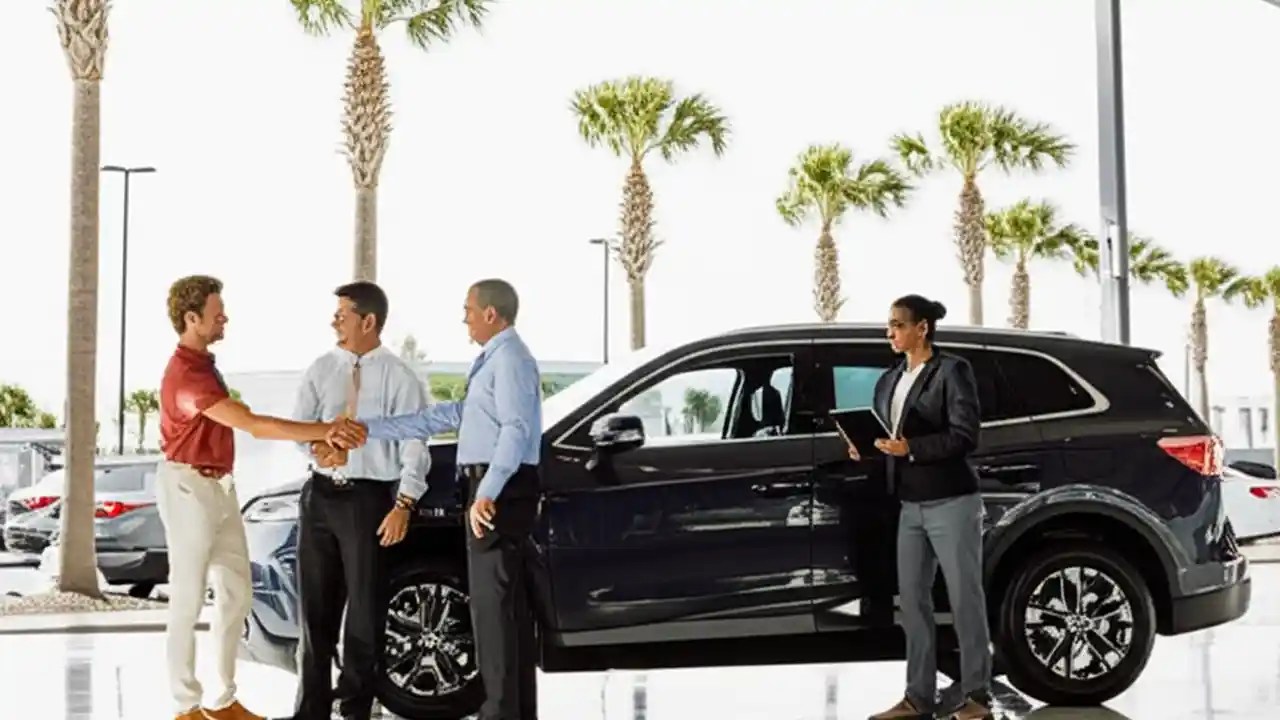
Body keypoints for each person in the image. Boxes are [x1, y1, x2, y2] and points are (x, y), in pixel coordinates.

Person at [157, 275, 364, 720]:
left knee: (236, 593)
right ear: (191, 319)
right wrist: (324, 430)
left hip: (219, 487)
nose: (224, 318)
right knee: (188, 599)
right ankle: (184, 707)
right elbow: (253, 425)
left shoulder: (205, 364)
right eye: (217, 313)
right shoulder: (185, 375)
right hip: (187, 487)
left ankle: (223, 700)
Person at [334, 278, 542, 720]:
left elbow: (516, 430)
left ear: (491, 314)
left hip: (498, 491)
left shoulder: (510, 361)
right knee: (502, 614)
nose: (463, 317)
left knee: (494, 616)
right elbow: (449, 416)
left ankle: (500, 714)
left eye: (468, 309)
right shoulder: (493, 361)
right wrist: (373, 429)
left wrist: (486, 494)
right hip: (491, 487)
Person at [285, 281, 431, 720]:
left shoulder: (400, 377)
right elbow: (299, 428)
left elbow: (415, 443)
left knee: (365, 613)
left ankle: (355, 709)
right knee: (315, 612)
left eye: (342, 314)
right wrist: (316, 447)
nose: (334, 321)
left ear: (368, 321)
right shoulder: (320, 369)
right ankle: (310, 711)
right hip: (319, 497)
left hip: (367, 501)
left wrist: (403, 504)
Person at [851, 294, 993, 720]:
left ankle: (977, 697)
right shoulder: (890, 380)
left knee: (965, 599)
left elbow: (966, 435)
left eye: (897, 324)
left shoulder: (952, 372)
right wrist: (868, 450)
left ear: (922, 328)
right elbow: (889, 440)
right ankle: (918, 697)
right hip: (909, 505)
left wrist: (910, 447)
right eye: (889, 325)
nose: (889, 332)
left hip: (952, 501)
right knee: (912, 602)